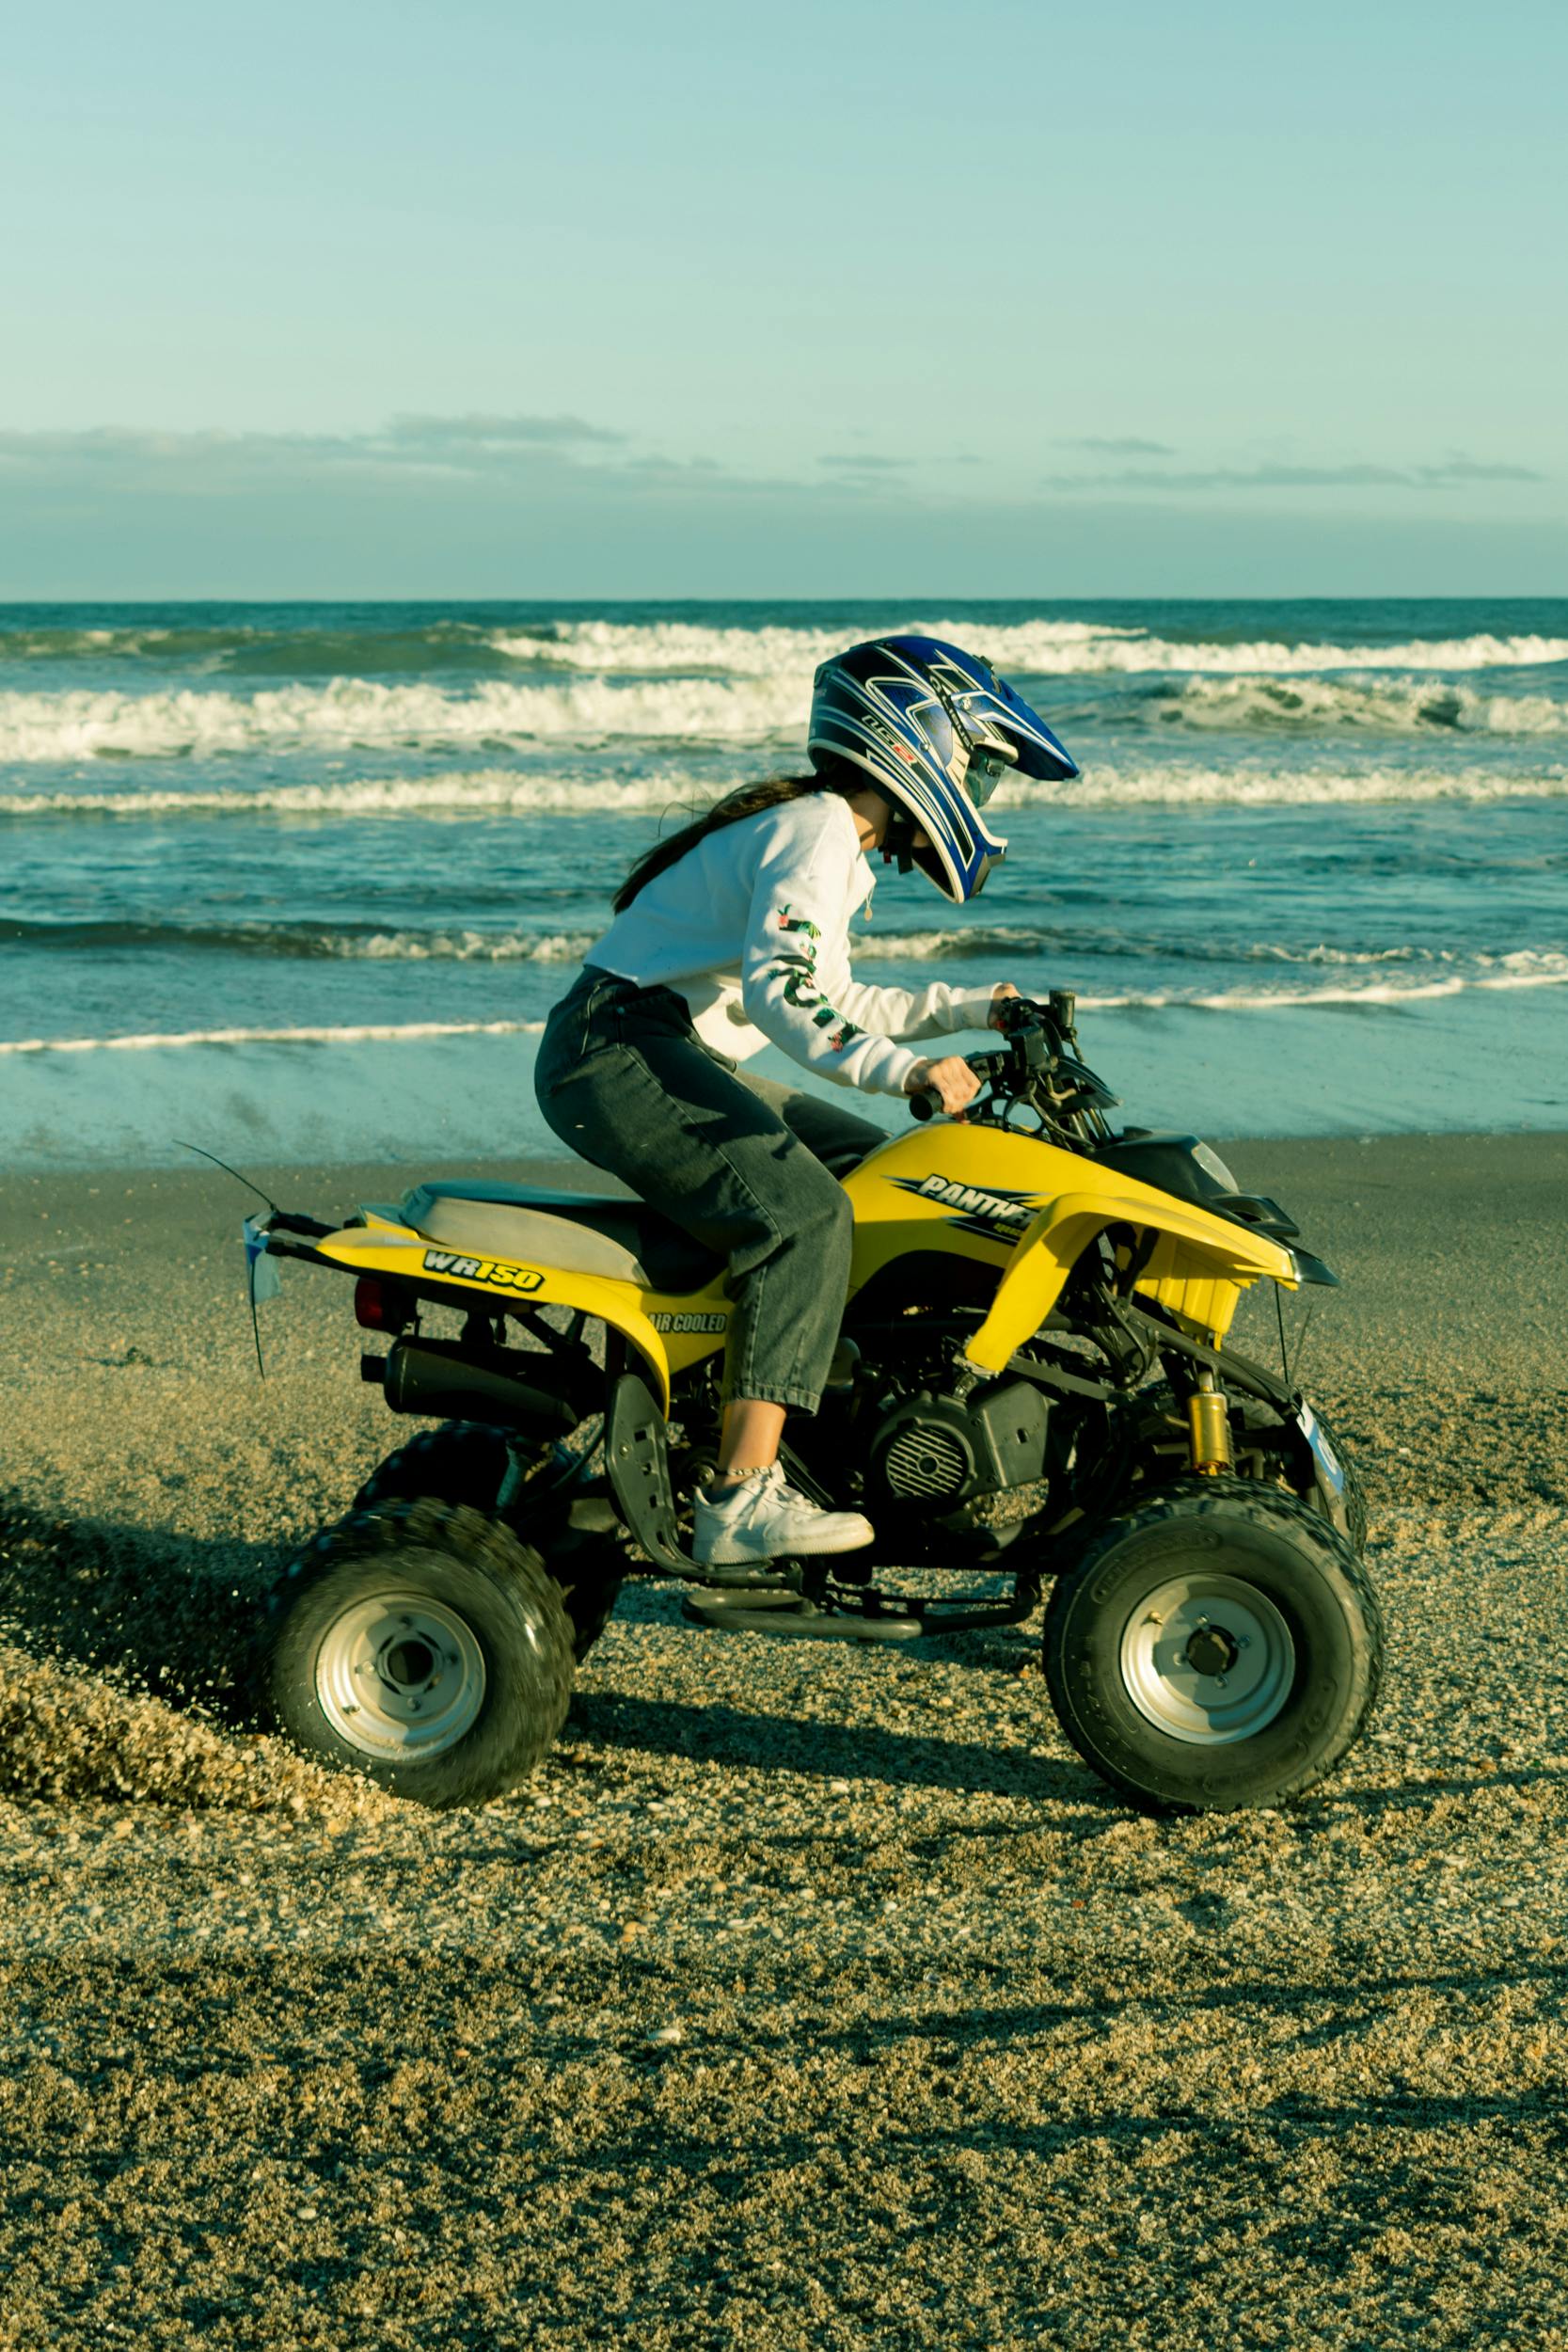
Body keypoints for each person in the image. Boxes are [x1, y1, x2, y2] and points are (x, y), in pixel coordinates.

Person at [533, 635, 1078, 1566]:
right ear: (915, 741)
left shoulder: (831, 840)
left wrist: (971, 1008)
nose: (977, 797)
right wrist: (902, 1070)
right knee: (803, 1217)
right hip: (617, 1047)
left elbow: (837, 998)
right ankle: (741, 1494)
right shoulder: (814, 828)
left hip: (666, 1046)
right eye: (975, 771)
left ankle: (833, 1451)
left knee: (878, 1174)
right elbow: (789, 995)